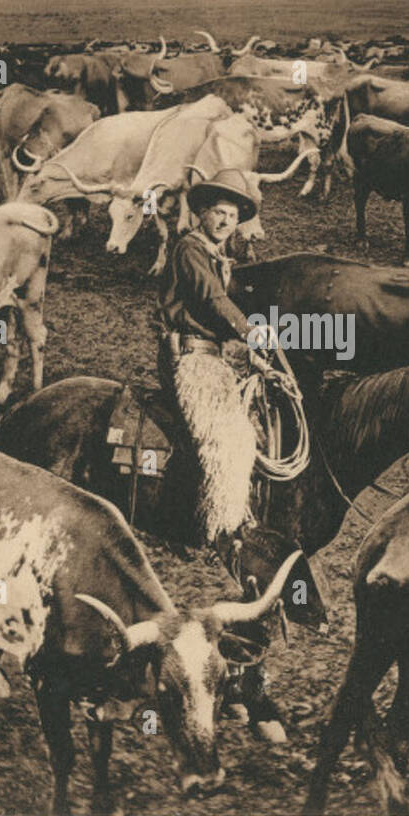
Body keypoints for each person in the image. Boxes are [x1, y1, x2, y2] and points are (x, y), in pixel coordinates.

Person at [156, 168, 270, 547]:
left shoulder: (215, 254)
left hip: (212, 355)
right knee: (229, 437)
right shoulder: (189, 248)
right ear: (202, 212)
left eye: (233, 216)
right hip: (191, 357)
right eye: (219, 212)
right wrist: (250, 331)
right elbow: (212, 300)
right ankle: (220, 525)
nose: (225, 221)